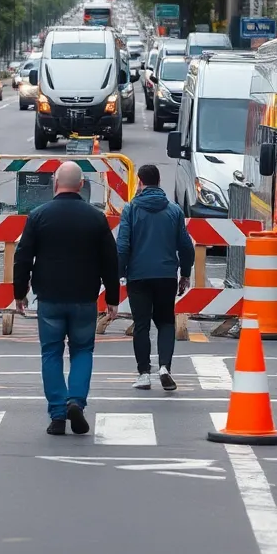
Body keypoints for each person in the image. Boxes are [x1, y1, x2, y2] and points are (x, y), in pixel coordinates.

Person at [13, 162, 119, 435]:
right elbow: (110, 260)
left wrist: (20, 292)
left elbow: (23, 256)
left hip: (49, 295)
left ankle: (58, 414)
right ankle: (76, 401)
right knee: (82, 350)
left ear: (55, 182)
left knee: (51, 352)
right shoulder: (96, 218)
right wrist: (113, 296)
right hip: (84, 295)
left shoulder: (38, 216)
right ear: (81, 185)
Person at [116, 164, 194, 391]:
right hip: (166, 275)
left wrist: (120, 273)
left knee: (141, 325)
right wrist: (185, 273)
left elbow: (122, 245)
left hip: (138, 276)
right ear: (159, 182)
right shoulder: (174, 211)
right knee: (166, 322)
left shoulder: (130, 209)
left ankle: (143, 374)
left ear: (139, 182)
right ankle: (164, 368)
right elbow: (186, 247)